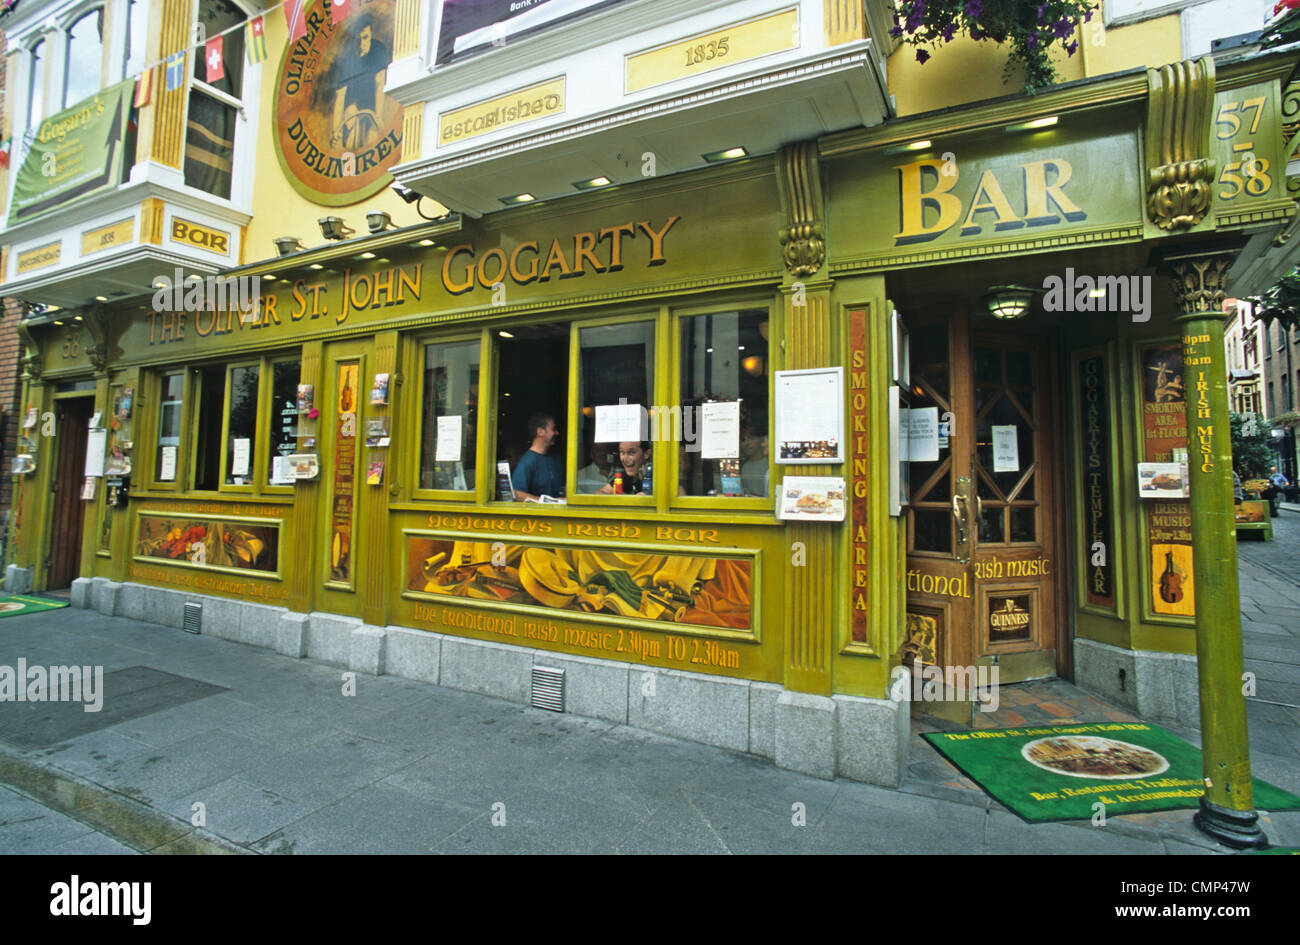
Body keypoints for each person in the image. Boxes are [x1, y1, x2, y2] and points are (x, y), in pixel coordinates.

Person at [512, 412, 563, 500]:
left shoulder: (555, 458)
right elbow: (517, 494)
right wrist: (547, 502)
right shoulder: (526, 462)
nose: (557, 433)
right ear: (540, 432)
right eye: (554, 429)